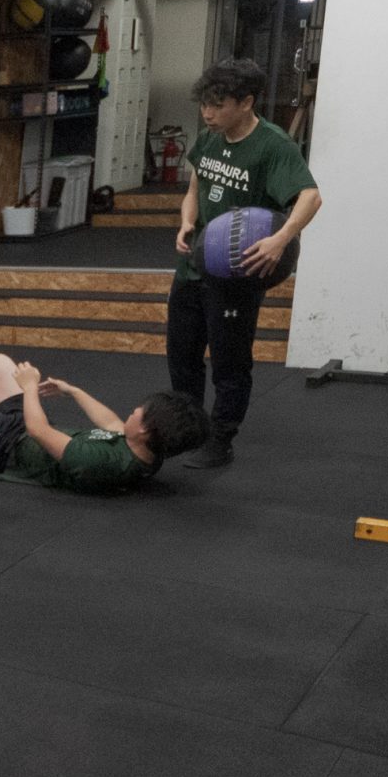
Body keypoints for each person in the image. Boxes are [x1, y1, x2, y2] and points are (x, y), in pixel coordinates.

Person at [168, 57, 322, 470]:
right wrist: (187, 221)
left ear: (247, 102)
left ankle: (221, 440)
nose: (207, 113)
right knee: (182, 357)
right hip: (193, 266)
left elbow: (311, 197)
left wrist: (280, 239)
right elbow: (196, 187)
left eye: (218, 105)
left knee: (229, 362)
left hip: (236, 273)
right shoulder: (209, 139)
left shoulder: (273, 145)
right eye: (205, 104)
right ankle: (187, 432)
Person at [0, 353, 208, 495]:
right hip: (21, 428)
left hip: (4, 448)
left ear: (145, 429)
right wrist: (73, 391)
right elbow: (111, 422)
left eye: (140, 411)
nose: (134, 411)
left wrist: (29, 387)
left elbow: (39, 430)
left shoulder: (101, 463)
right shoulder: (147, 450)